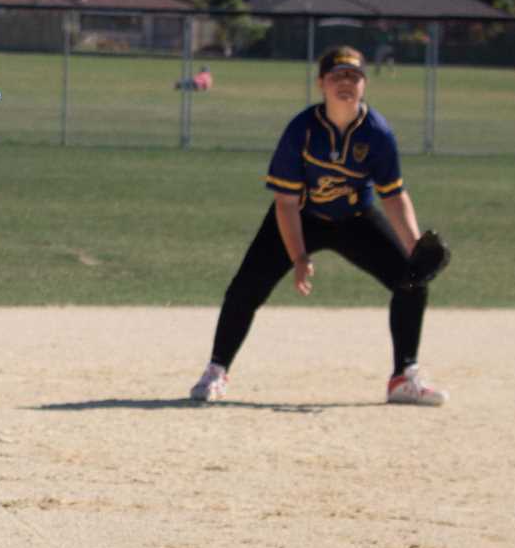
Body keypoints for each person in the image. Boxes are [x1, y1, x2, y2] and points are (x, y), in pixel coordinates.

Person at [187, 44, 446, 407]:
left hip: (356, 219)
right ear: (321, 83)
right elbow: (286, 202)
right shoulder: (303, 129)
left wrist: (414, 247)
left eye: (353, 76)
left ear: (364, 84)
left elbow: (393, 196)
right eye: (337, 76)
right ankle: (216, 371)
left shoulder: (377, 133)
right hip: (302, 217)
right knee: (245, 288)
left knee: (413, 279)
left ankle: (403, 376)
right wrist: (298, 257)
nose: (346, 83)